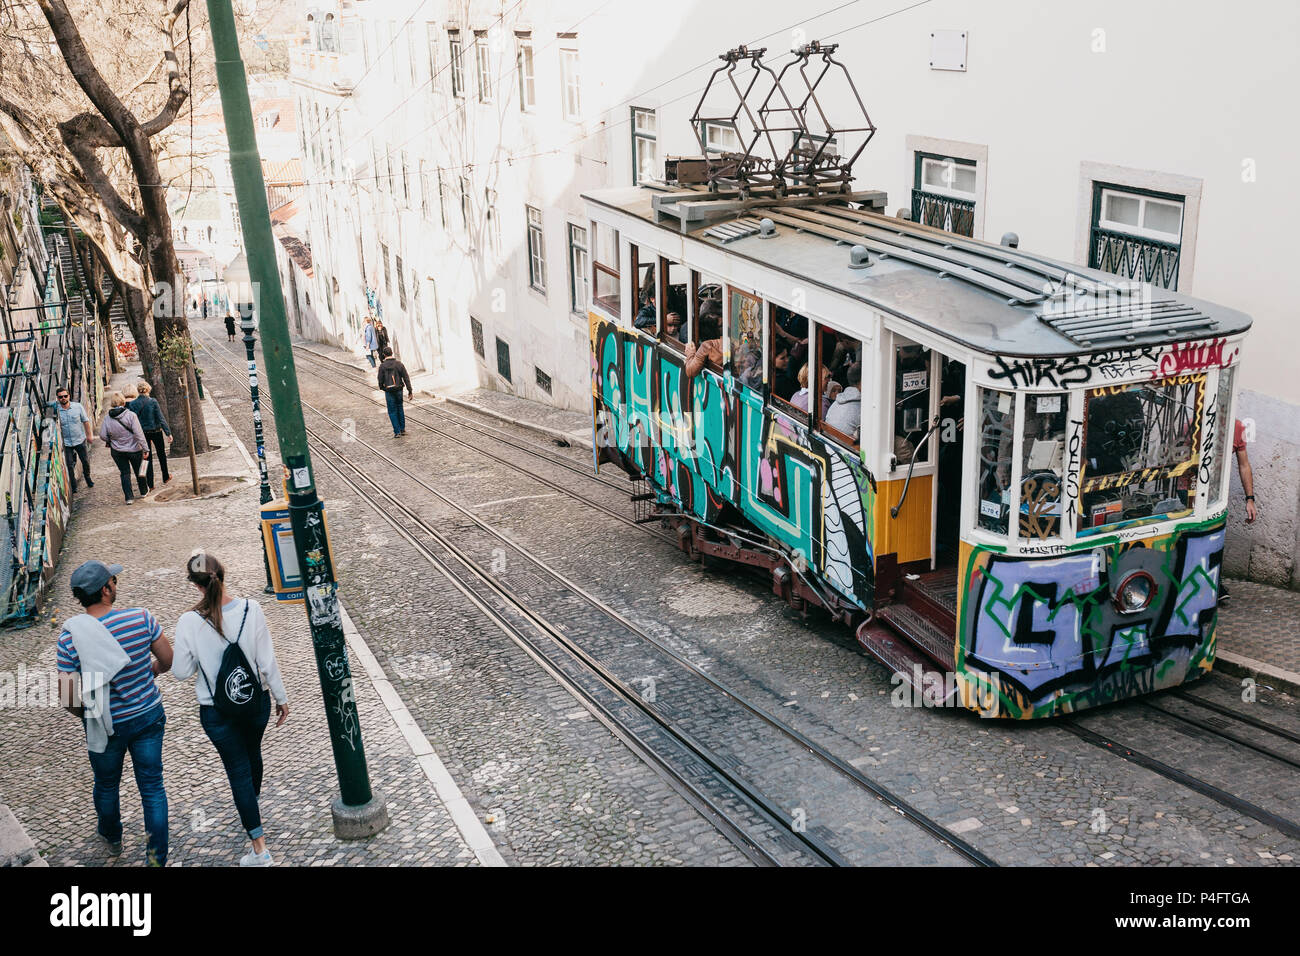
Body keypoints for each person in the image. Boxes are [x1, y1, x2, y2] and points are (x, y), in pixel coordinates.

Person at [171, 554, 289, 867]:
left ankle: (260, 849)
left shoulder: (189, 622)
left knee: (238, 769)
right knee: (252, 756)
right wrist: (281, 698)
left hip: (217, 712)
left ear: (195, 586)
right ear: (223, 574)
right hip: (256, 703)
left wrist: (202, 656)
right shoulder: (252, 609)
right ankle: (252, 807)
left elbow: (181, 672)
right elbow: (267, 661)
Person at [56, 560, 172, 865]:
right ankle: (156, 858)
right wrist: (151, 672)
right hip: (147, 715)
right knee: (152, 788)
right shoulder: (141, 619)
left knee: (106, 784)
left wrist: (91, 714)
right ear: (106, 590)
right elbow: (167, 659)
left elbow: (68, 697)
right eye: (113, 582)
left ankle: (112, 836)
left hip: (104, 726)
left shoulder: (70, 638)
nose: (116, 585)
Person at [1221, 419, 1259, 604]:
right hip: (1188, 488)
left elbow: (1244, 465)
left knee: (1216, 534)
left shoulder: (1236, 427)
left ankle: (1213, 581)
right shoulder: (1194, 422)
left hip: (1215, 493)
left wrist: (1250, 499)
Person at [100, 391, 149, 504]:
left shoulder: (107, 418)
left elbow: (103, 435)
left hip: (117, 450)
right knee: (139, 471)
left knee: (124, 473)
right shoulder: (131, 416)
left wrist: (110, 441)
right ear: (123, 402)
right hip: (134, 449)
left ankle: (129, 498)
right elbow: (139, 434)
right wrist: (146, 448)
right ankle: (143, 491)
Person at [128, 380, 172, 489]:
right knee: (161, 455)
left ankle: (150, 484)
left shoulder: (132, 404)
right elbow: (160, 418)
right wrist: (168, 433)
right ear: (148, 390)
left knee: (146, 458)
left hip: (142, 434)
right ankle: (165, 476)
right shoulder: (153, 402)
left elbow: (133, 421)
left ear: (138, 391)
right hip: (156, 432)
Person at [56, 387, 95, 493]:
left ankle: (88, 478)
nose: (63, 398)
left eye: (65, 396)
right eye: (60, 397)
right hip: (67, 443)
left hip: (80, 440)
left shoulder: (77, 407)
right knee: (69, 465)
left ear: (69, 396)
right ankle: (74, 486)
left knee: (85, 462)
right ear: (58, 398)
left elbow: (85, 421)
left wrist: (89, 435)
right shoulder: (56, 410)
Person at [377, 346, 413, 436]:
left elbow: (380, 380)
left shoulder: (382, 366)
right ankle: (402, 429)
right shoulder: (399, 364)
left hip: (389, 391)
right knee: (400, 408)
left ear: (384, 355)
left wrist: (383, 388)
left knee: (392, 411)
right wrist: (410, 391)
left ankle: (397, 432)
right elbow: (406, 378)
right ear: (392, 353)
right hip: (399, 389)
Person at [824, 371, 862, 438]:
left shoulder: (835, 403)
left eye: (839, 390)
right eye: (833, 391)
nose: (837, 393)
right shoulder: (863, 406)